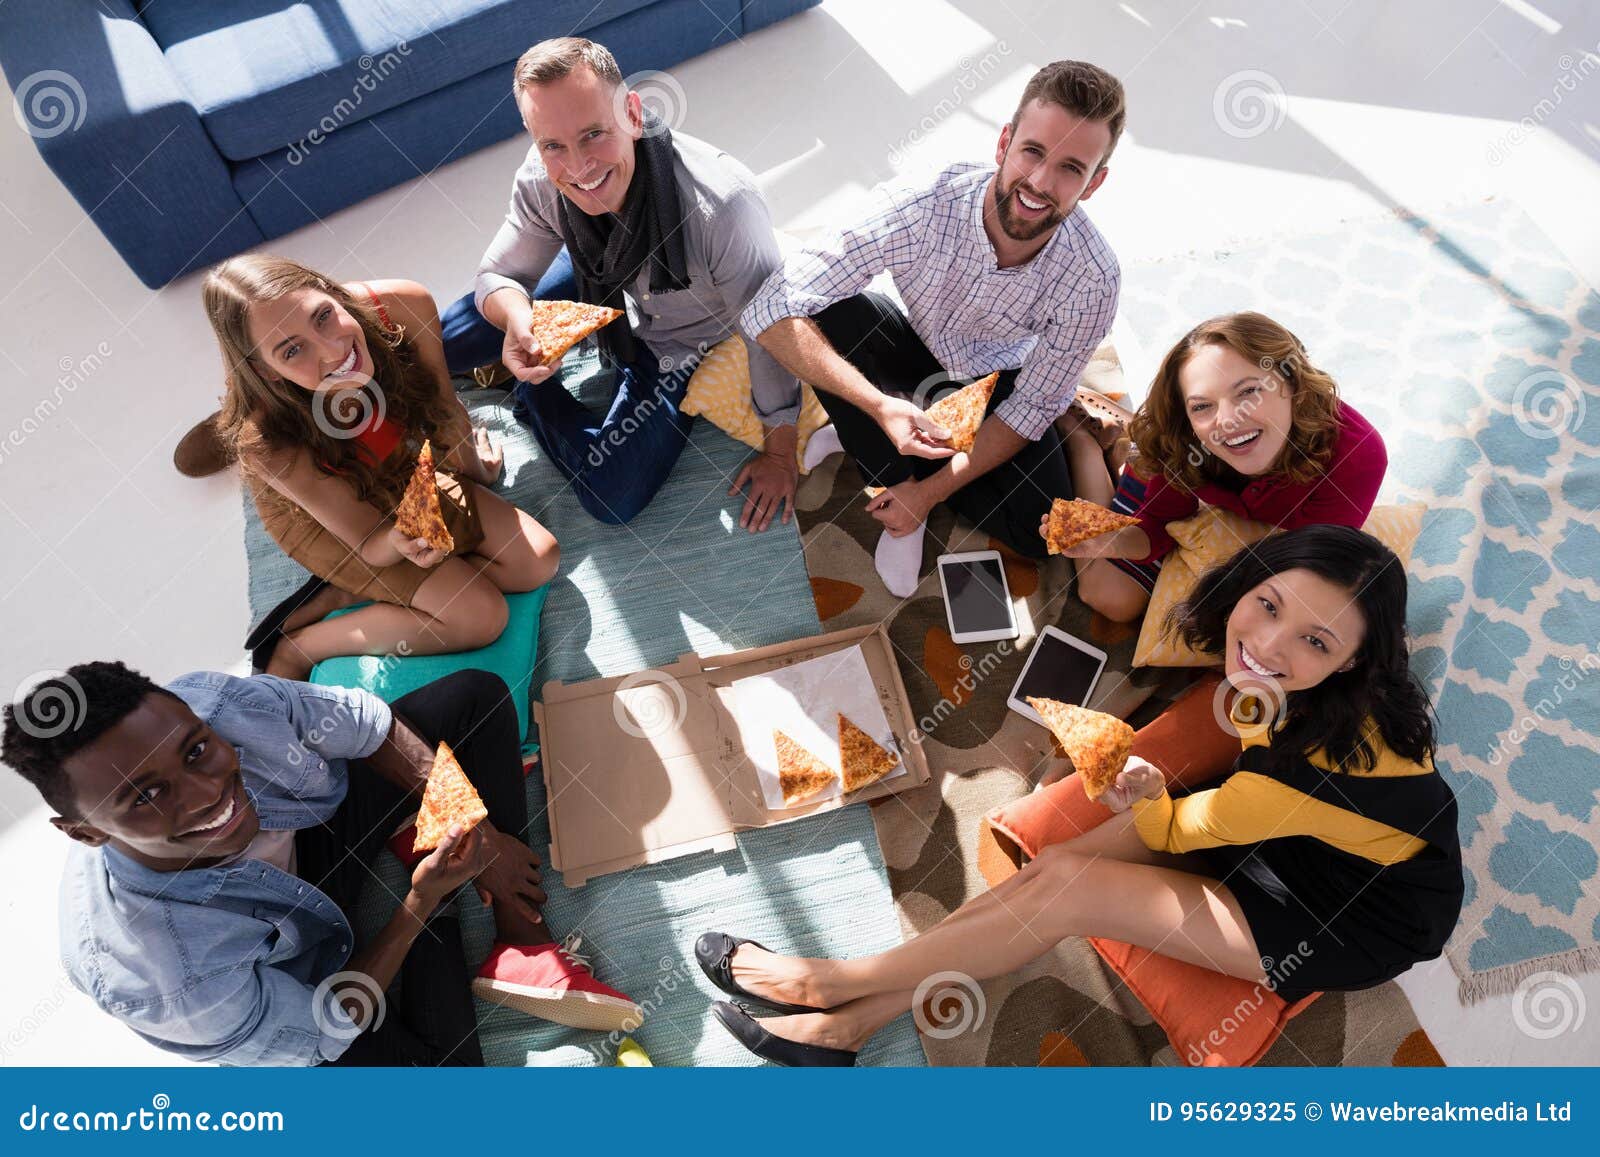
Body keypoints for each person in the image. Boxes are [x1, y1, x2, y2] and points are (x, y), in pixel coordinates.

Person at [694, 525, 1462, 1066]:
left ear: (1356, 663)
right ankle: (848, 1028)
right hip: (1293, 833)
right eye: (1268, 604)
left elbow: (1183, 821)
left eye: (1316, 641)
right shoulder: (1309, 701)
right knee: (1050, 871)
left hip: (1345, 915)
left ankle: (831, 983)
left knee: (1064, 888)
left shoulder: (1301, 772)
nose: (1266, 644)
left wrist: (1147, 791)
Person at [1, 664, 640, 1066]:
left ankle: (519, 941)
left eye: (196, 751)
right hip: (296, 975)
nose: (205, 795)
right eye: (143, 797)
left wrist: (477, 828)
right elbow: (316, 1035)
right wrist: (415, 906)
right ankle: (427, 874)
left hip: (314, 838)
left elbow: (367, 727)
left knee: (473, 698)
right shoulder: (167, 979)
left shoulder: (219, 704)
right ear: (85, 834)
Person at [740, 60, 1124, 596]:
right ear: (1004, 143)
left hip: (1001, 378)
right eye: (1033, 152)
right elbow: (768, 308)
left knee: (1040, 532)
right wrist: (877, 406)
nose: (1040, 183)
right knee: (826, 314)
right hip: (913, 347)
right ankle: (884, 455)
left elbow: (1032, 406)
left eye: (1071, 169)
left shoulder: (1094, 278)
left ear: (1094, 183)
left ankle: (897, 478)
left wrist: (930, 492)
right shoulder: (923, 203)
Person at [439, 37, 800, 530]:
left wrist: (782, 453)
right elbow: (499, 275)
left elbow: (770, 329)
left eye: (593, 134)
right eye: (553, 145)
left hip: (678, 338)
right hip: (593, 267)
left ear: (632, 112)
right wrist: (521, 321)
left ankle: (529, 396)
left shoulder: (723, 208)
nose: (578, 166)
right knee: (439, 345)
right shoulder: (544, 177)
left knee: (612, 494)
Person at [204, 255, 560, 679]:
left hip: (401, 466)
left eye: (323, 317)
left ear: (334, 291)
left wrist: (471, 467)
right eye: (293, 349)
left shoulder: (403, 305)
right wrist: (399, 541)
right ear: (267, 371)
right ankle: (305, 641)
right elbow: (369, 539)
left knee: (538, 560)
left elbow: (443, 407)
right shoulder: (268, 444)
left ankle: (367, 591)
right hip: (331, 515)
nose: (334, 351)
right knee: (480, 616)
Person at [1052, 311, 1387, 622]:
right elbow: (1158, 524)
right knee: (1108, 595)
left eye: (1249, 392)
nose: (1228, 420)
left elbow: (1309, 570)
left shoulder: (1357, 457)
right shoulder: (1183, 439)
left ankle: (1122, 443)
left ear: (1293, 385)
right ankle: (1085, 440)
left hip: (1249, 532)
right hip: (1191, 487)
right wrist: (1107, 540)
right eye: (1202, 406)